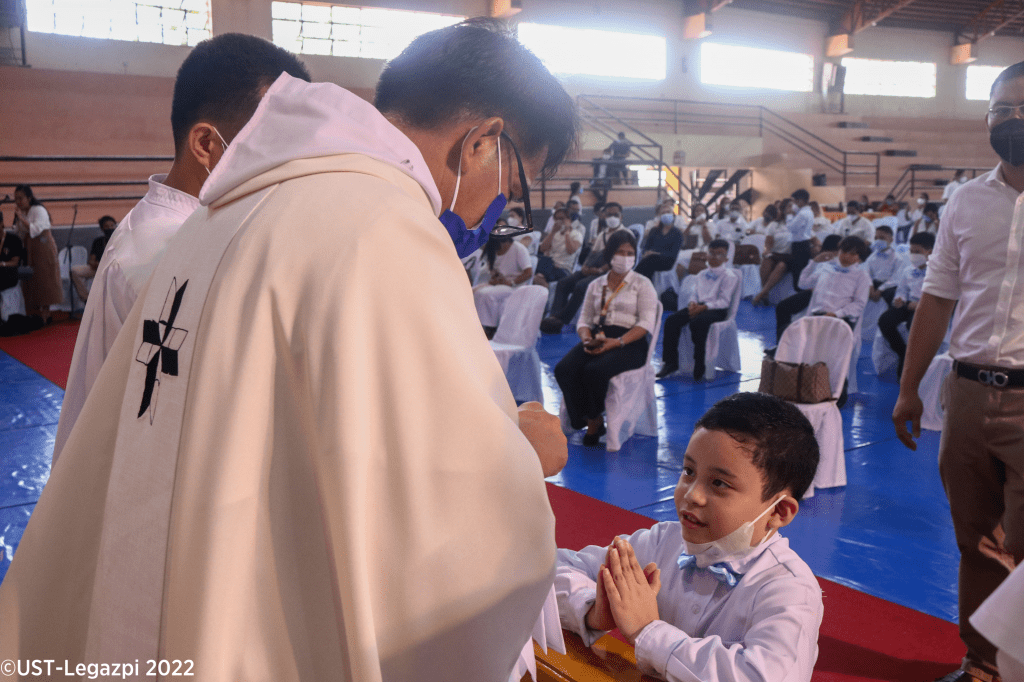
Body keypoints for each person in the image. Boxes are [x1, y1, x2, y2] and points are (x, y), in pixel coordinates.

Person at [0, 20, 577, 681]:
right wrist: (522, 448)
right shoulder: (384, 227)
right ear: (482, 142)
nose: (495, 217)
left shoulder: (223, 213)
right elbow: (429, 516)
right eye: (518, 189)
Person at [52, 34, 312, 464]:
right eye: (275, 149)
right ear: (206, 145)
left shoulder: (177, 226)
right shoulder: (171, 252)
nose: (286, 170)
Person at [893, 62, 1024, 682]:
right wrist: (908, 387)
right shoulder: (966, 200)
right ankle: (984, 667)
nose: (1013, 119)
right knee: (977, 543)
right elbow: (937, 298)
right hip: (968, 395)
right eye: (1002, 109)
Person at [556, 392, 822, 682]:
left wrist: (647, 630)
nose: (692, 495)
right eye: (688, 471)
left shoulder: (789, 589)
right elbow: (552, 569)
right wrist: (592, 609)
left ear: (779, 511)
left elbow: (763, 676)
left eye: (719, 483)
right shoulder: (662, 542)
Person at [555, 230, 657, 447]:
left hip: (630, 343)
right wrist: (585, 339)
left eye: (630, 252)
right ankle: (580, 417)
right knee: (564, 369)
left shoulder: (642, 284)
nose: (625, 257)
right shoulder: (596, 284)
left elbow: (646, 324)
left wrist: (617, 342)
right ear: (610, 254)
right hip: (598, 336)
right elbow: (584, 320)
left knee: (594, 371)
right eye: (620, 251)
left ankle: (593, 421)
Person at [657, 239, 739, 381]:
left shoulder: (729, 276)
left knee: (698, 324)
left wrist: (704, 307)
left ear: (726, 257)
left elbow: (724, 301)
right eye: (711, 253)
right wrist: (693, 303)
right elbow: (694, 293)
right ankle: (670, 363)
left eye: (719, 254)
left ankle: (700, 364)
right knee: (671, 321)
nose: (714, 257)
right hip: (699, 306)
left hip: (717, 310)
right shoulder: (702, 274)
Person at [541, 201, 625, 334]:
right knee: (564, 283)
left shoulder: (625, 235)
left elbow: (621, 260)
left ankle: (561, 319)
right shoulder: (603, 234)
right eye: (609, 215)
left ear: (621, 217)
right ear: (604, 216)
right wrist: (585, 266)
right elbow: (593, 253)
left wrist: (600, 270)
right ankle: (554, 317)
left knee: (581, 285)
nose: (612, 218)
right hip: (594, 269)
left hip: (611, 272)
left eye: (615, 215)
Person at [878, 231, 934, 379]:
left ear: (930, 252)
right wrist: (899, 299)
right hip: (907, 305)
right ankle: (902, 352)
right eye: (911, 251)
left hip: (924, 307)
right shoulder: (908, 270)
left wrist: (919, 305)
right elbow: (901, 290)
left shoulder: (936, 273)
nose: (913, 255)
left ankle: (910, 365)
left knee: (913, 326)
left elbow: (936, 298)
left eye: (918, 252)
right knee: (885, 320)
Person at [773, 234, 842, 343]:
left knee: (785, 309)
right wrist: (815, 261)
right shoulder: (823, 262)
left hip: (827, 298)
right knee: (782, 307)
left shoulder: (847, 267)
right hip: (812, 292)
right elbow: (802, 283)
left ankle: (783, 345)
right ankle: (781, 346)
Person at [11, 184, 62, 323]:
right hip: (30, 248)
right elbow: (19, 232)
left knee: (44, 279)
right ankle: (36, 314)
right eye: (16, 199)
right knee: (32, 280)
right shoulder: (24, 212)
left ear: (29, 197)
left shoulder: (38, 210)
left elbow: (37, 229)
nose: (18, 202)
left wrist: (21, 218)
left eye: (20, 198)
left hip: (43, 248)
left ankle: (46, 314)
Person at [753, 189, 813, 306]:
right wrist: (767, 250)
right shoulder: (775, 224)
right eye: (790, 206)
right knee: (766, 261)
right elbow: (769, 241)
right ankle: (764, 293)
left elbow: (811, 237)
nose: (793, 207)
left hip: (791, 256)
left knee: (781, 265)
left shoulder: (800, 218)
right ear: (784, 209)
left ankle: (762, 293)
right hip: (776, 253)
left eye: (794, 204)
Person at [798, 235, 870, 330]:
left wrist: (837, 314)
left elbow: (859, 303)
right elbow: (802, 284)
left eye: (852, 254)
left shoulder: (861, 276)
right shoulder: (826, 267)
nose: (846, 256)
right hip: (816, 316)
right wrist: (814, 262)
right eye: (844, 251)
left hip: (840, 320)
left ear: (859, 258)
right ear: (838, 251)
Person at [473, 233, 533, 337]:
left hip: (515, 286)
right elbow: (495, 271)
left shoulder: (519, 249)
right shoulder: (494, 250)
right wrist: (496, 278)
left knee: (486, 294)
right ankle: (475, 325)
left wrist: (511, 282)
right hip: (500, 284)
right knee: (472, 291)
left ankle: (490, 328)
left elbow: (528, 273)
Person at [69, 215, 116, 303]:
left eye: (112, 226)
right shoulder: (98, 241)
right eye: (107, 226)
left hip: (114, 268)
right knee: (74, 271)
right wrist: (94, 263)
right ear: (102, 229)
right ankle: (87, 299)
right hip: (97, 267)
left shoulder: (120, 240)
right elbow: (92, 259)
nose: (110, 228)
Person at [534, 206, 584, 286]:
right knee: (533, 274)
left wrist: (567, 233)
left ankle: (547, 294)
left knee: (538, 279)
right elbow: (542, 248)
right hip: (549, 264)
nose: (558, 221)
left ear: (569, 220)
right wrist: (553, 232)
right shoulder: (554, 233)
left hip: (564, 268)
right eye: (556, 219)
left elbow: (570, 250)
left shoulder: (576, 234)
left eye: (561, 218)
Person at [635, 203, 682, 280]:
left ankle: (636, 283)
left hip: (667, 261)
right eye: (663, 213)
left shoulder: (677, 233)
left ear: (673, 215)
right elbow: (646, 246)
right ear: (659, 216)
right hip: (650, 258)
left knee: (649, 261)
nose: (666, 214)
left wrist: (656, 253)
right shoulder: (654, 231)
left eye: (668, 212)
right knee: (647, 260)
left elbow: (673, 253)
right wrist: (645, 253)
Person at [865, 225, 900, 305]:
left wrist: (880, 290)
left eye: (882, 238)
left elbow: (895, 278)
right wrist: (871, 289)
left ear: (891, 240)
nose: (878, 241)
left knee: (892, 293)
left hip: (887, 285)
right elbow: (867, 273)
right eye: (876, 238)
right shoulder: (872, 257)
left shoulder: (897, 258)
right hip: (873, 284)